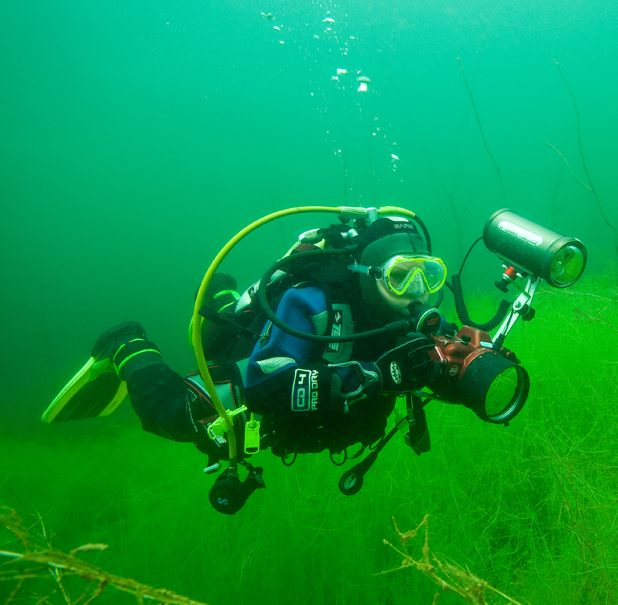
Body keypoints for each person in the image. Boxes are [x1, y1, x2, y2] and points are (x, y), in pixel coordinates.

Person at [43, 216, 452, 513]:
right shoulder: (311, 302)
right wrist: (373, 377)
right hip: (261, 366)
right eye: (401, 276)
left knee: (226, 331)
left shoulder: (412, 319)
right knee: (170, 413)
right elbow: (263, 382)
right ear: (369, 274)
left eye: (428, 276)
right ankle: (126, 343)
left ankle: (224, 299)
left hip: (310, 414)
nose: (417, 291)